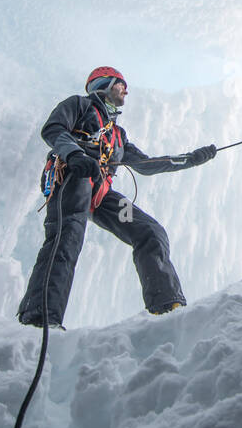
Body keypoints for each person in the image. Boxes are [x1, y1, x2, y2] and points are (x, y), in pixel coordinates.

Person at [16, 66, 216, 328]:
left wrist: (191, 159)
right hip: (72, 177)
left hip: (101, 193)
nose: (126, 91)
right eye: (122, 84)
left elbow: (146, 164)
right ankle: (40, 319)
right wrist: (75, 155)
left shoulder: (118, 135)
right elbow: (53, 129)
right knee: (67, 238)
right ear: (105, 83)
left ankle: (167, 306)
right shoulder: (79, 105)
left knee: (149, 232)